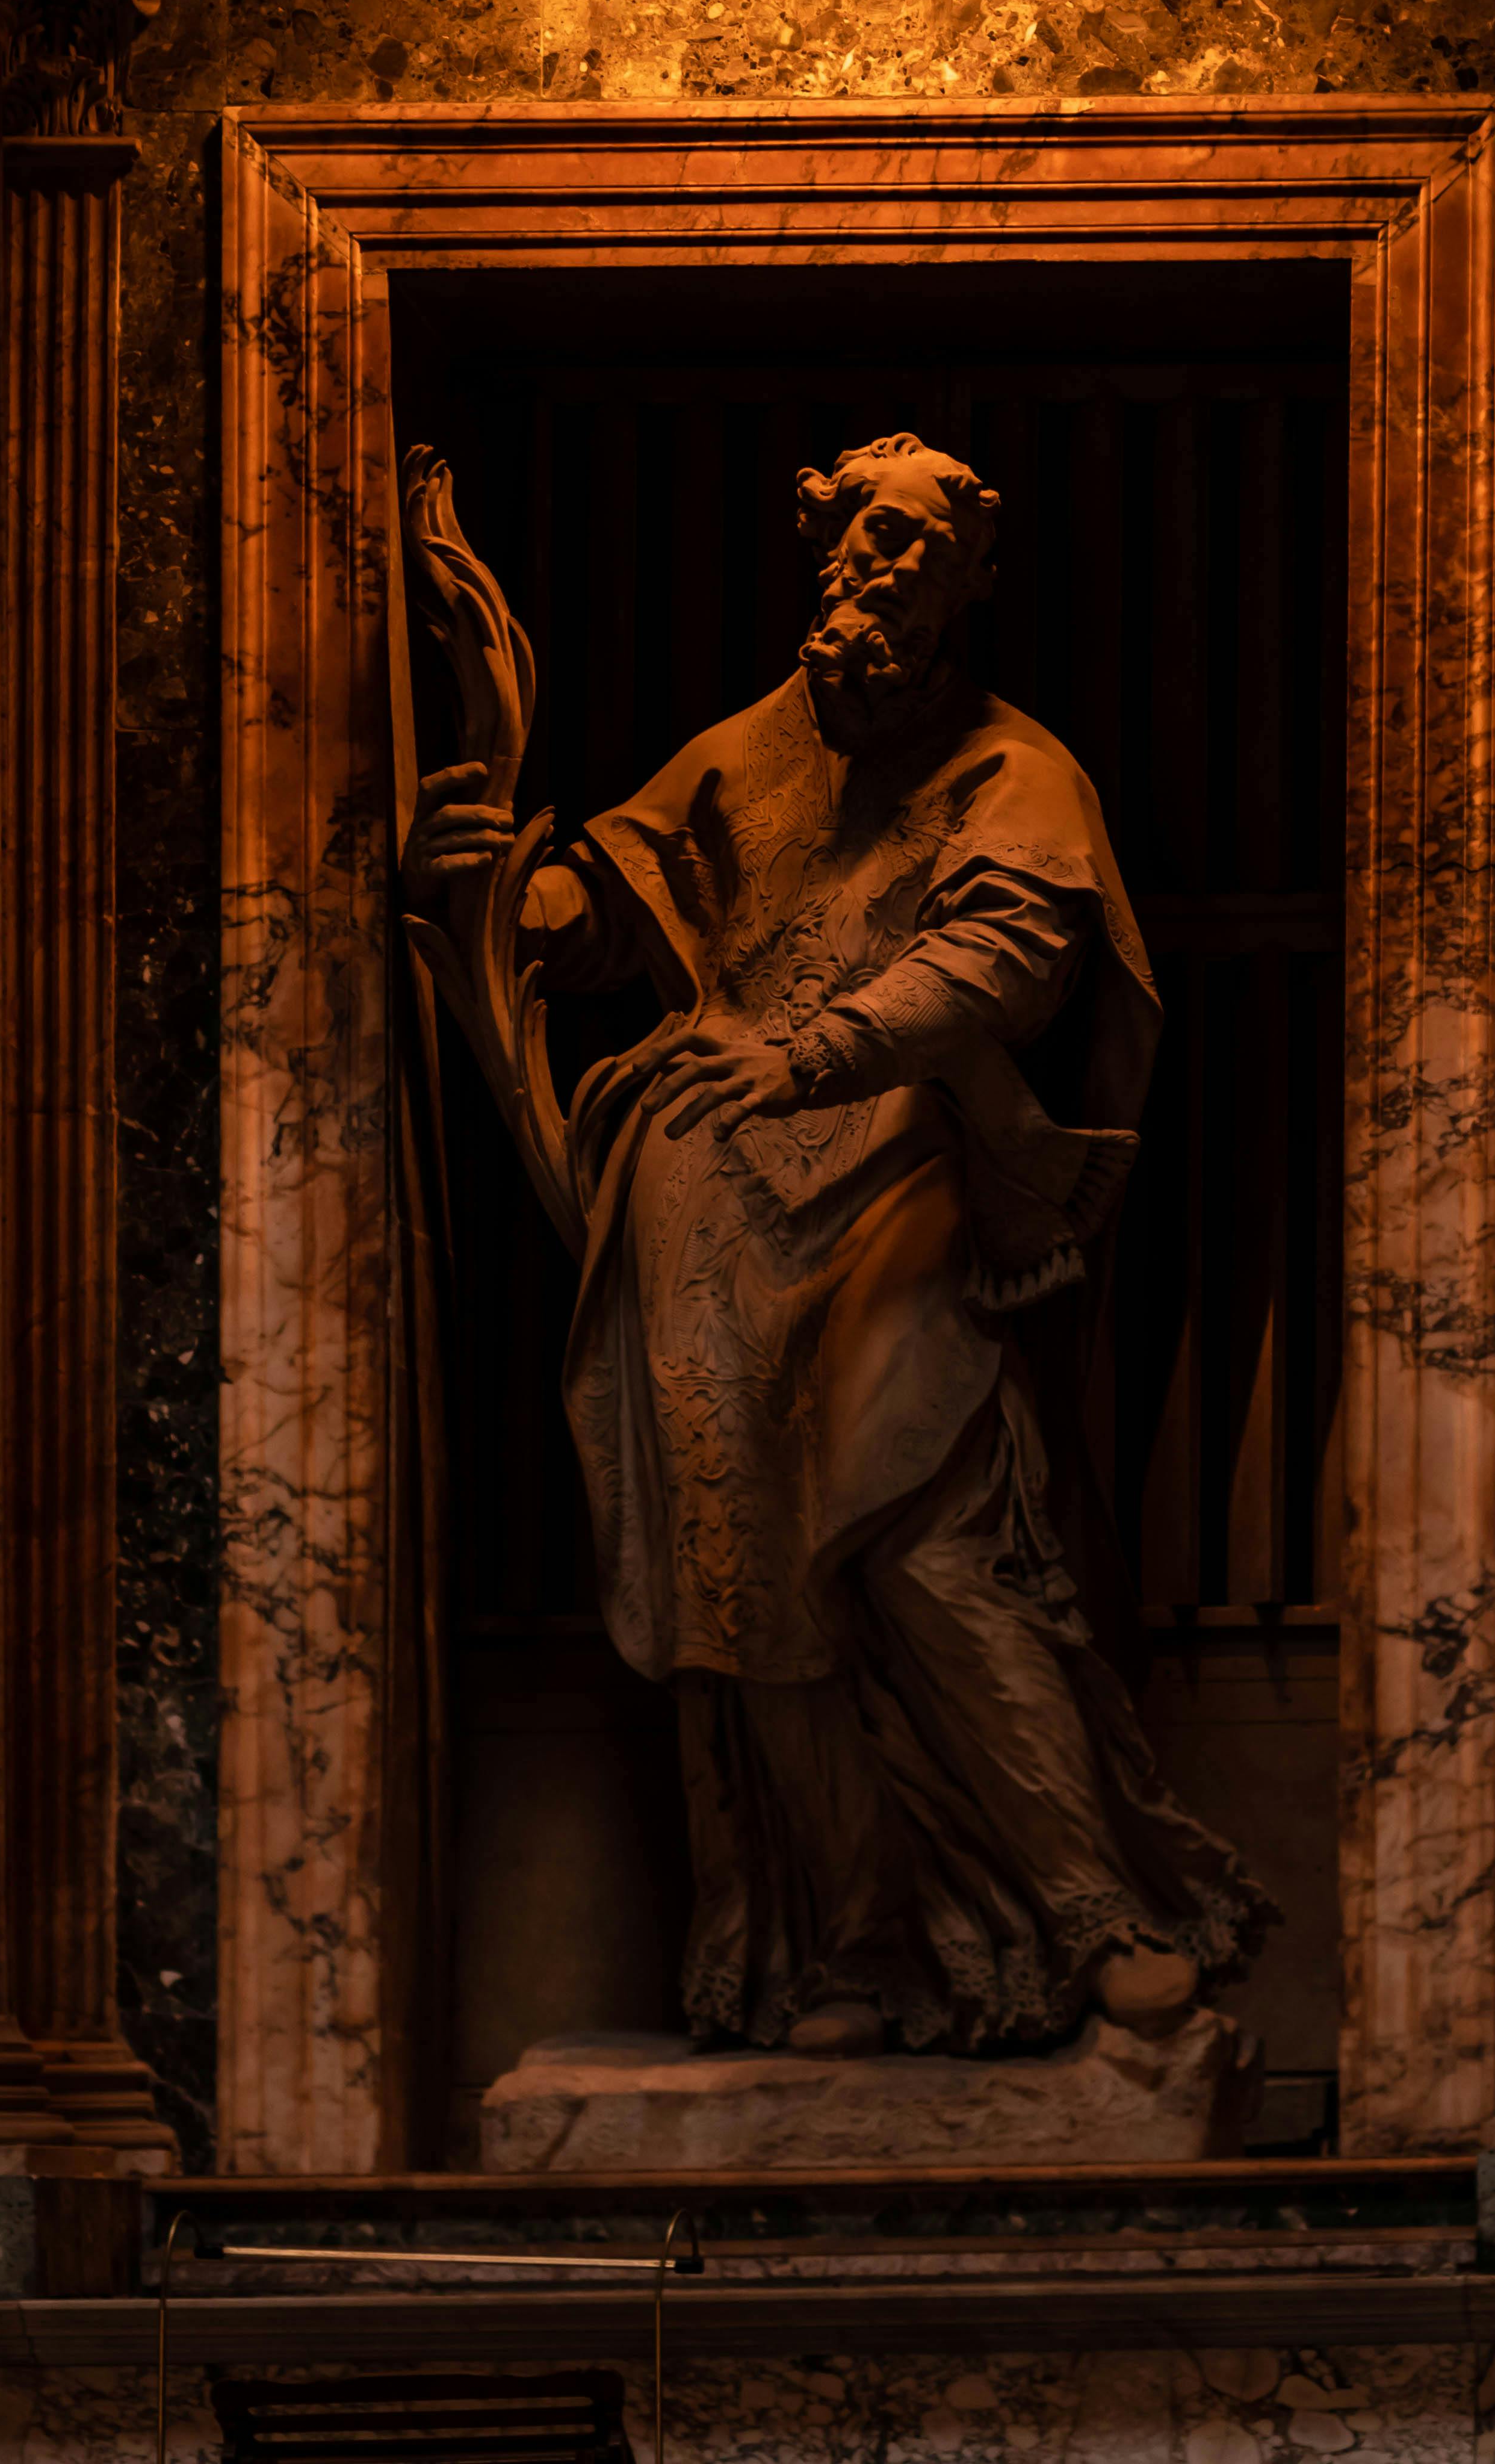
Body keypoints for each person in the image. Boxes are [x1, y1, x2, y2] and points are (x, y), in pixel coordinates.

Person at [405, 432, 1272, 2055]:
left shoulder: (1017, 772)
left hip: (892, 1174)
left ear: (974, 578)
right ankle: (844, 1948)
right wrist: (504, 893)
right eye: (863, 536)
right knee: (742, 1584)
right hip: (703, 1189)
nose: (882, 566)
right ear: (824, 553)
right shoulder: (743, 752)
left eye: (918, 544)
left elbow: (1010, 960)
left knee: (932, 1538)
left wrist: (813, 1051)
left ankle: (1093, 1907)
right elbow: (613, 897)